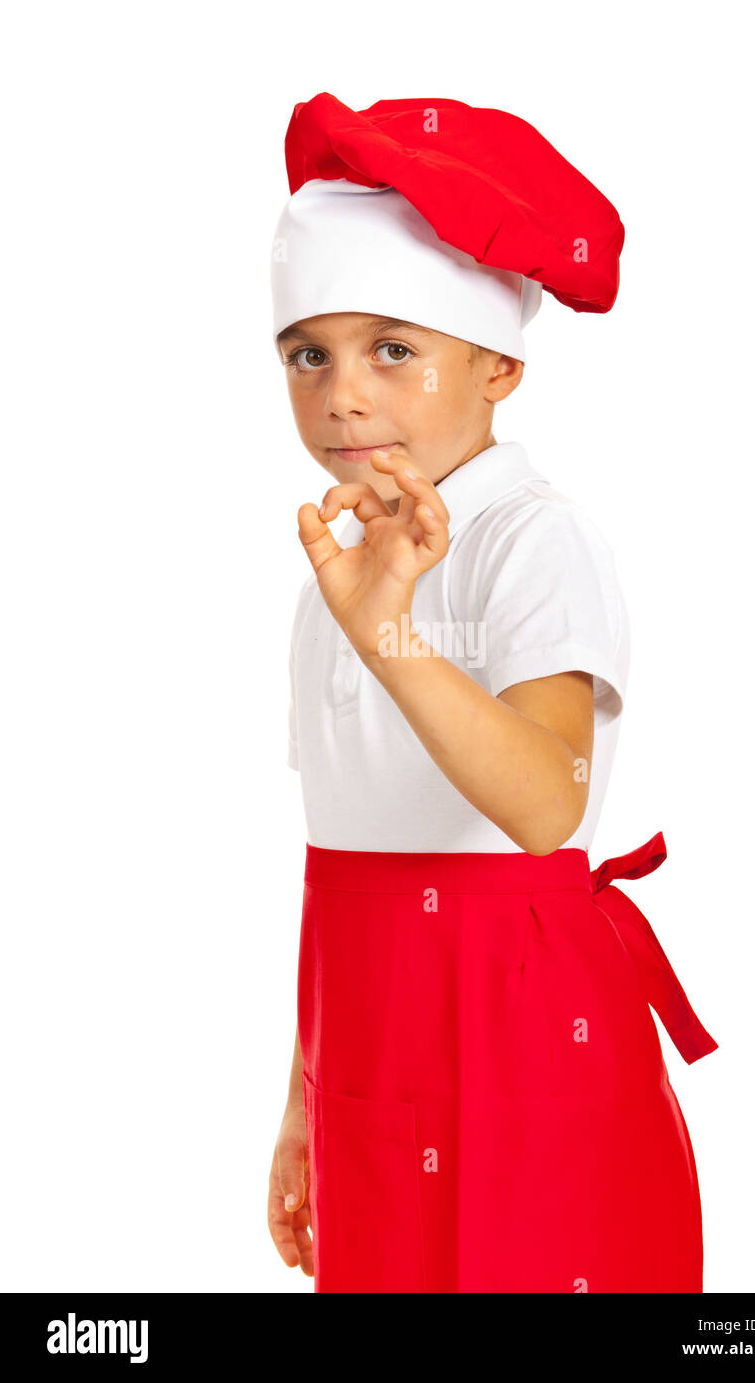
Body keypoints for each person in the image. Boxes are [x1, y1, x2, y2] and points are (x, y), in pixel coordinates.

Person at [265, 92, 718, 1293]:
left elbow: (544, 806)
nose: (342, 393)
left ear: (501, 364)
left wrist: (395, 635)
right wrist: (306, 1102)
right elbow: (339, 867)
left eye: (392, 348)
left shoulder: (534, 540)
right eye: (308, 353)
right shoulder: (337, 574)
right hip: (371, 1025)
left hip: (517, 1020)